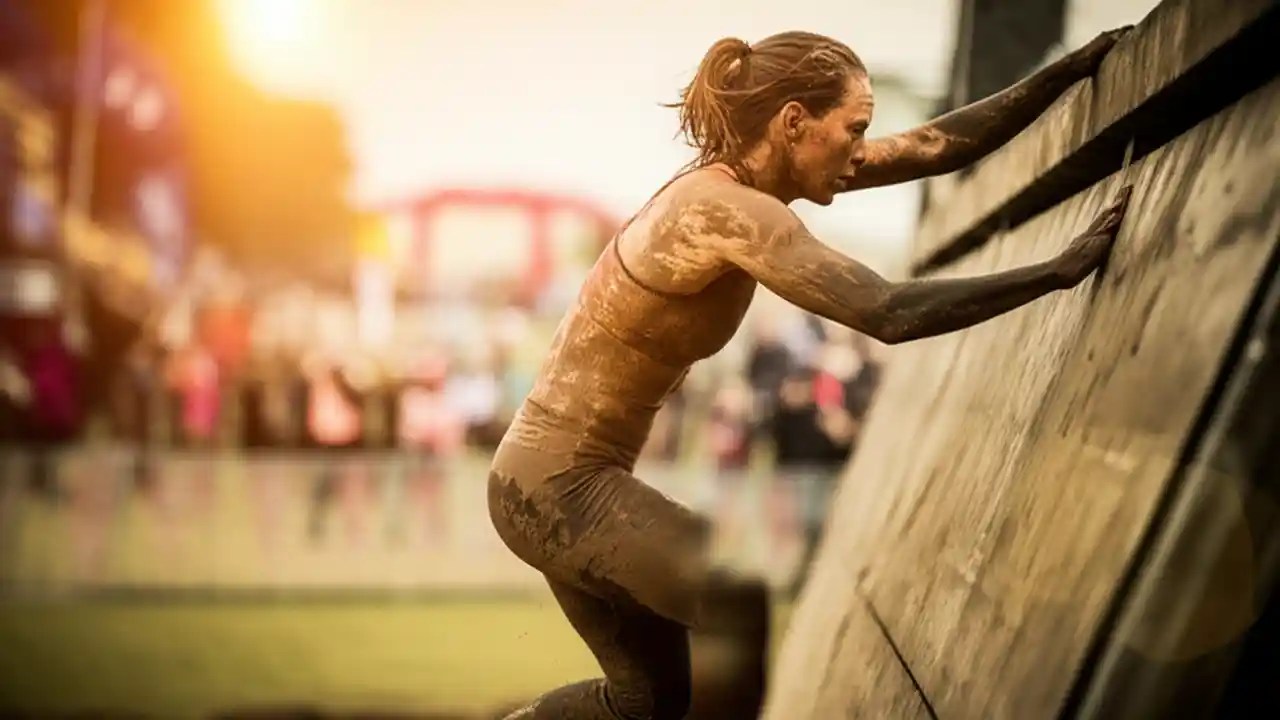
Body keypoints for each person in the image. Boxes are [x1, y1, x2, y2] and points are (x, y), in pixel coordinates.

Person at [488, 27, 1132, 720]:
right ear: (794, 123)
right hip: (555, 488)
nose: (862, 150)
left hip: (548, 482)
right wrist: (1052, 273)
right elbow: (885, 311)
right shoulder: (722, 210)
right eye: (854, 129)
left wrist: (1069, 69)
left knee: (644, 706)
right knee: (734, 595)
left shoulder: (757, 185)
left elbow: (937, 146)